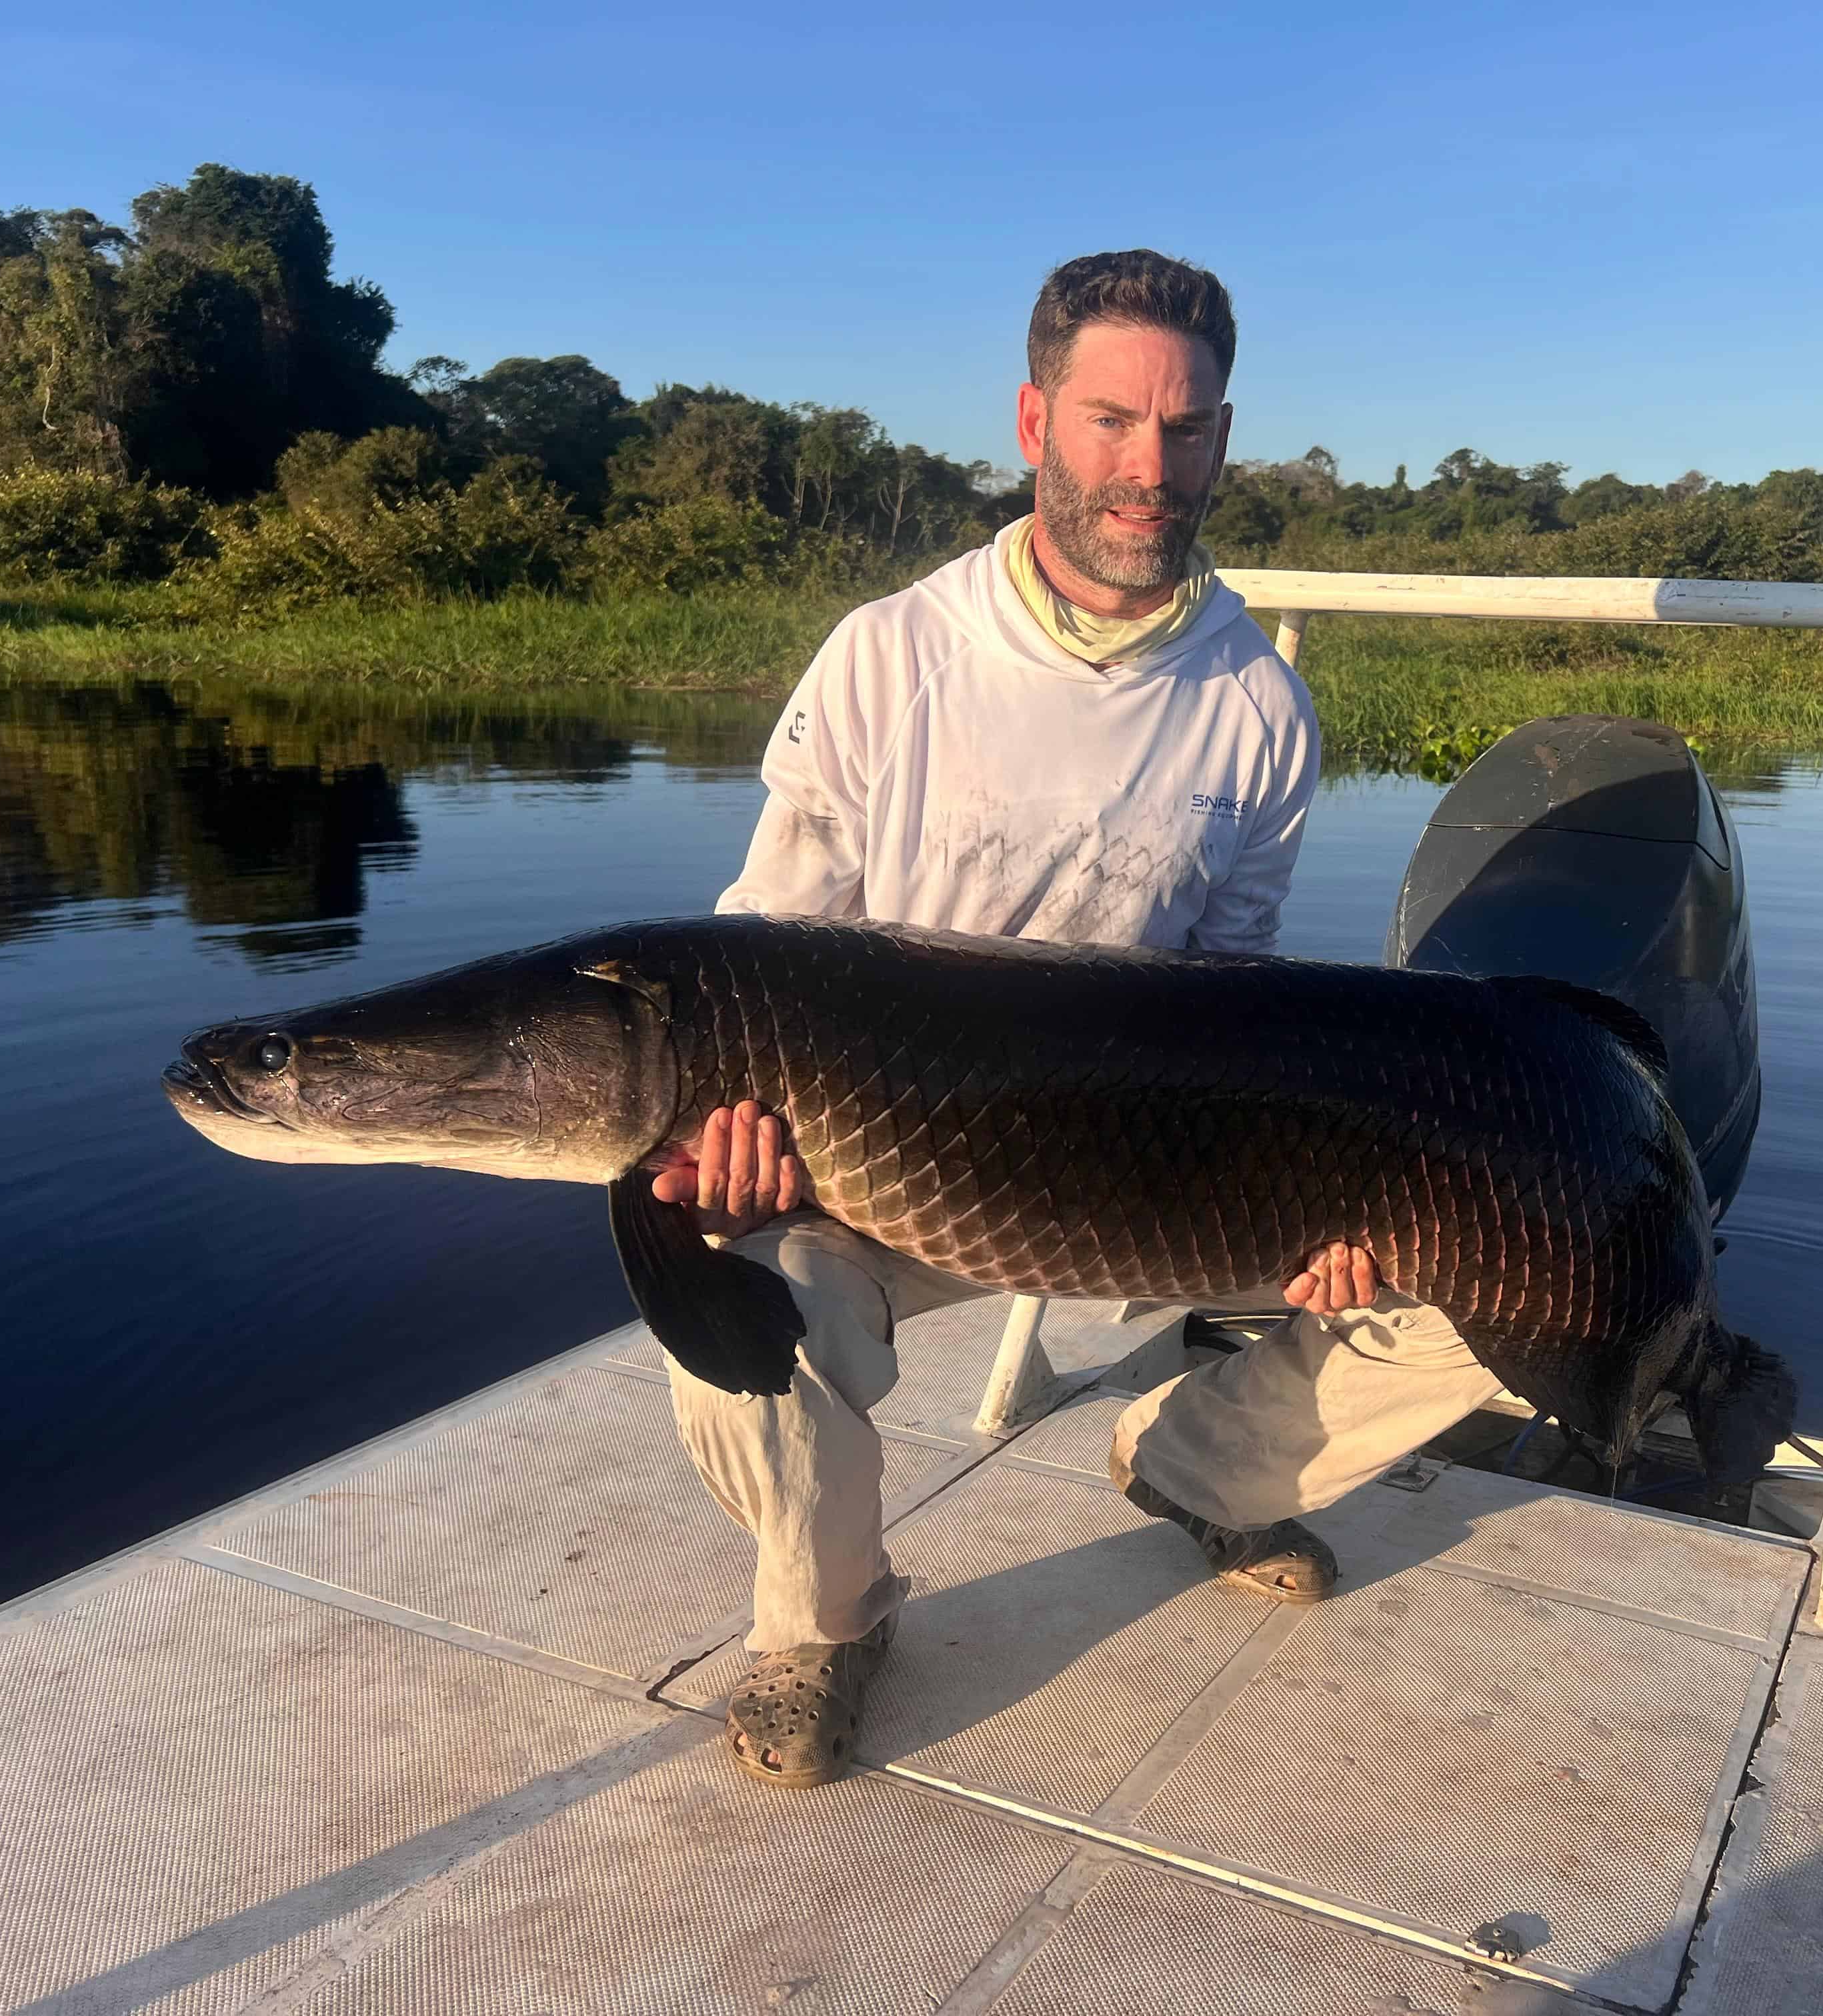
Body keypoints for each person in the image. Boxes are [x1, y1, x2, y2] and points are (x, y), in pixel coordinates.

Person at [661, 250, 1512, 1789]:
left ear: (1224, 441)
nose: (1148, 468)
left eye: (1184, 432)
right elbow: (757, 958)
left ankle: (1200, 1464)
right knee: (722, 1295)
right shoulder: (890, 654)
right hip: (876, 1165)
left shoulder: (1259, 702)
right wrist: (727, 1146)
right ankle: (826, 1622)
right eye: (1112, 421)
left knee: (1504, 1286)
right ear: (1034, 420)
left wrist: (1322, 1209)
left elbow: (1233, 1005)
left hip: (1144, 1179)